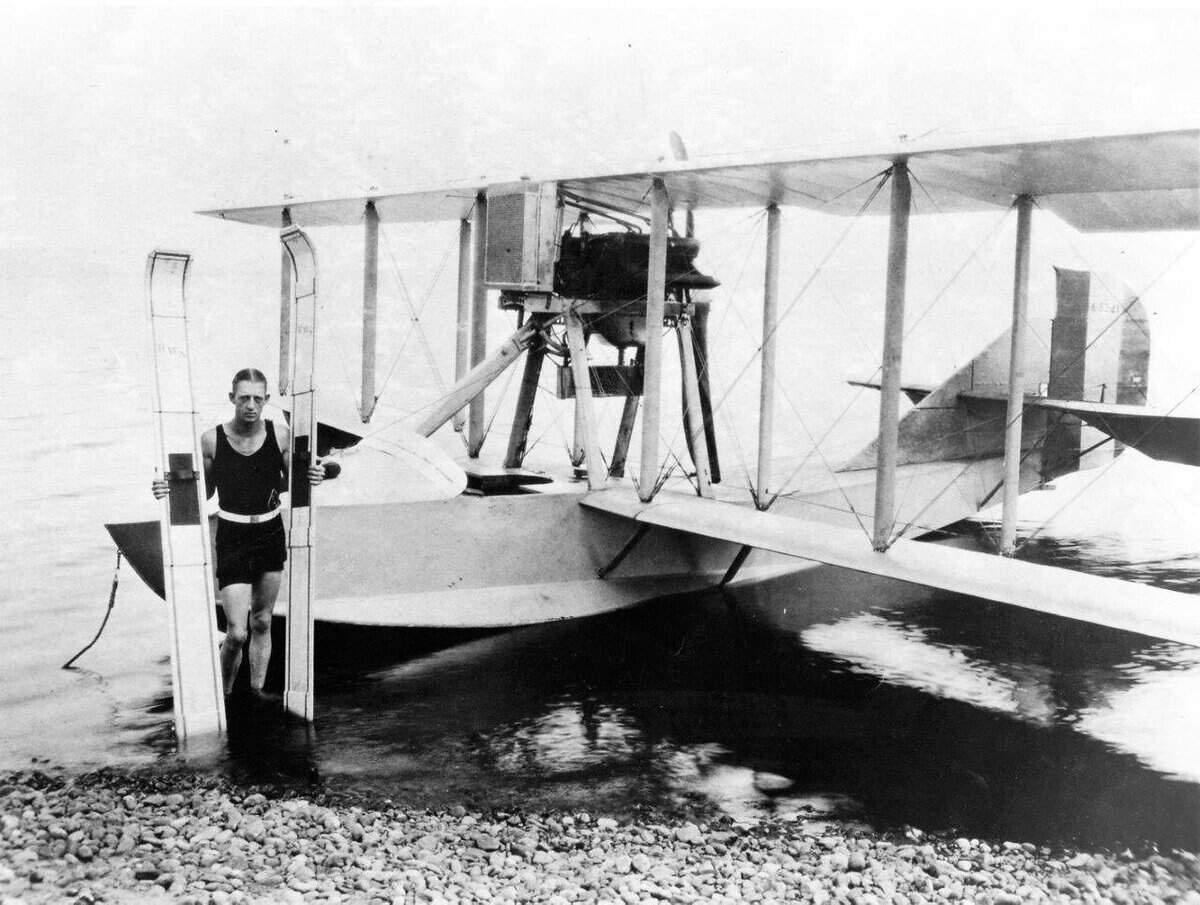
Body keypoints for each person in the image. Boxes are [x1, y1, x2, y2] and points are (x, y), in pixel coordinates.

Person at [153, 368, 324, 698]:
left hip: (271, 532)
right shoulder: (211, 440)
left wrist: (317, 473)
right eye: (244, 398)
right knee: (237, 632)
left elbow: (297, 482)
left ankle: (257, 693)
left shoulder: (282, 435)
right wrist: (167, 488)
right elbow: (199, 493)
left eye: (258, 398)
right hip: (232, 535)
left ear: (267, 401)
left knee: (262, 622)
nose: (251, 405)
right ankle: (225, 696)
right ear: (232, 398)